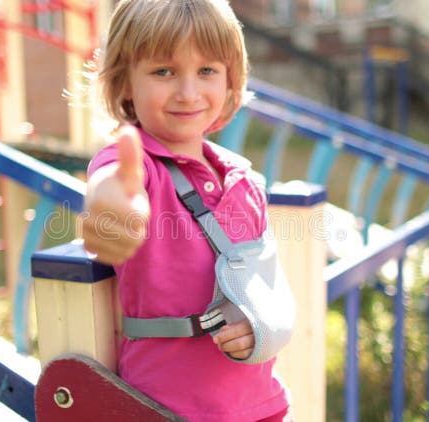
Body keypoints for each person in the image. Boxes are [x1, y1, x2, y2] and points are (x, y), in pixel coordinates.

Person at [82, 1, 291, 420]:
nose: (188, 92)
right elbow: (113, 185)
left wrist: (254, 322)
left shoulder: (244, 180)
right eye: (164, 71)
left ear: (231, 79)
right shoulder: (135, 165)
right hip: (166, 409)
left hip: (260, 405)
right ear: (125, 82)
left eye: (207, 71)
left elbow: (265, 287)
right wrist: (110, 210)